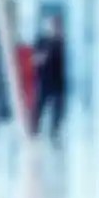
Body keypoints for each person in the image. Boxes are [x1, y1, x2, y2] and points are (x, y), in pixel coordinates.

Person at [34, 15, 67, 143]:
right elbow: (36, 60)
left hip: (59, 82)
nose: (56, 29)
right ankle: (34, 131)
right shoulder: (43, 41)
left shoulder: (63, 43)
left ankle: (55, 132)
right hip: (46, 80)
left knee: (58, 110)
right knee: (40, 107)